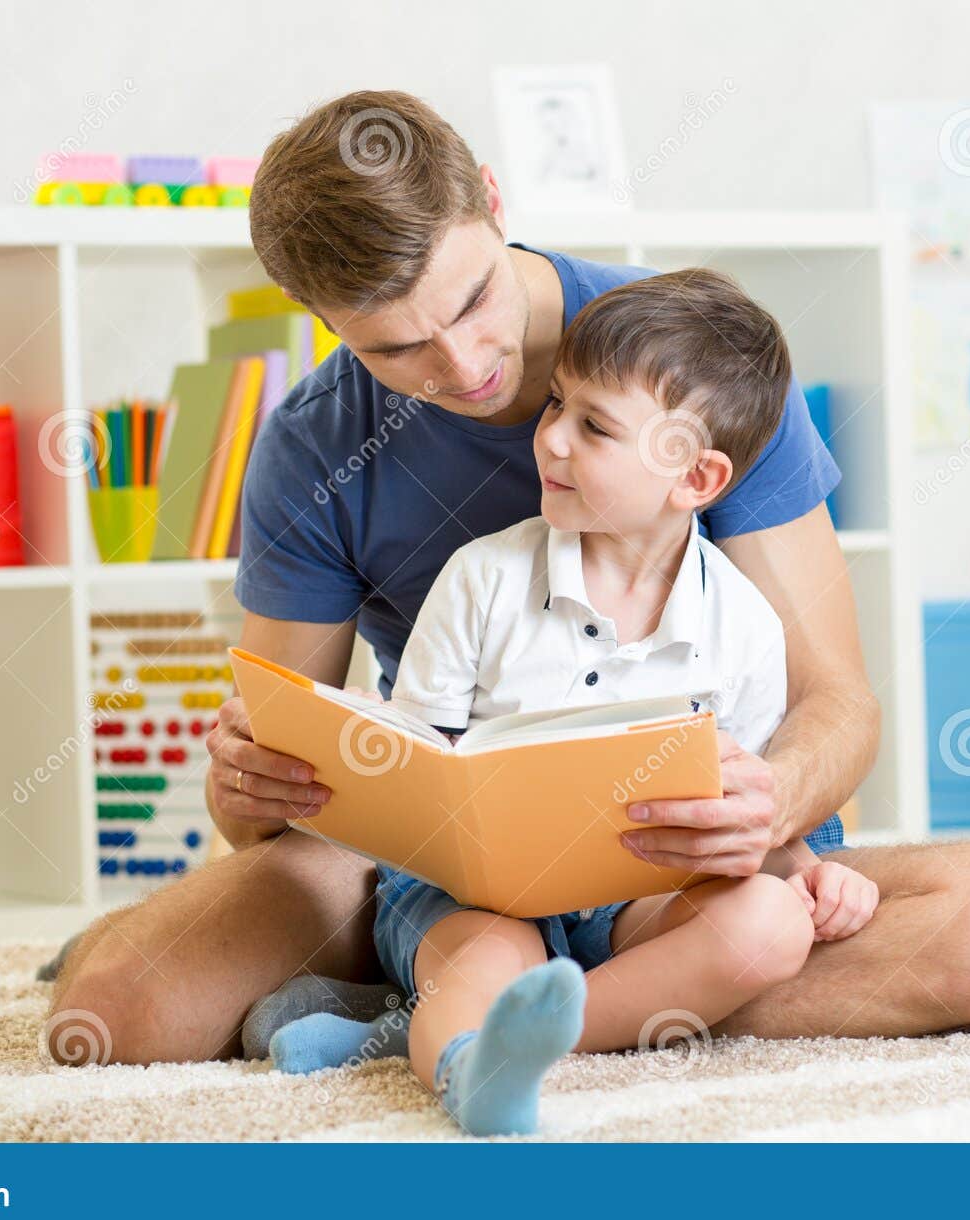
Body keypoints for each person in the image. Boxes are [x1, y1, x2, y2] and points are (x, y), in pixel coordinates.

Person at [45, 90, 970, 1067]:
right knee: (118, 1013)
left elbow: (840, 703)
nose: (461, 367)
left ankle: (464, 1018)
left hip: (694, 867)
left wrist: (766, 806)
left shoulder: (692, 365)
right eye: (397, 347)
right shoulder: (317, 447)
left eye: (471, 300)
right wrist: (247, 786)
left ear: (494, 202)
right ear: (313, 311)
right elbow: (276, 810)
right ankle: (528, 995)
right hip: (458, 862)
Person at [260, 270, 880, 1136]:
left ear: (696, 476)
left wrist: (812, 875)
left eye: (594, 426)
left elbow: (749, 804)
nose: (549, 441)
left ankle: (448, 1032)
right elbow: (414, 755)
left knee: (771, 929)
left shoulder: (743, 622)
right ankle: (468, 1069)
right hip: (477, 898)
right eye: (556, 405)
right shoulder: (481, 578)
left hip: (642, 905)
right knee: (488, 956)